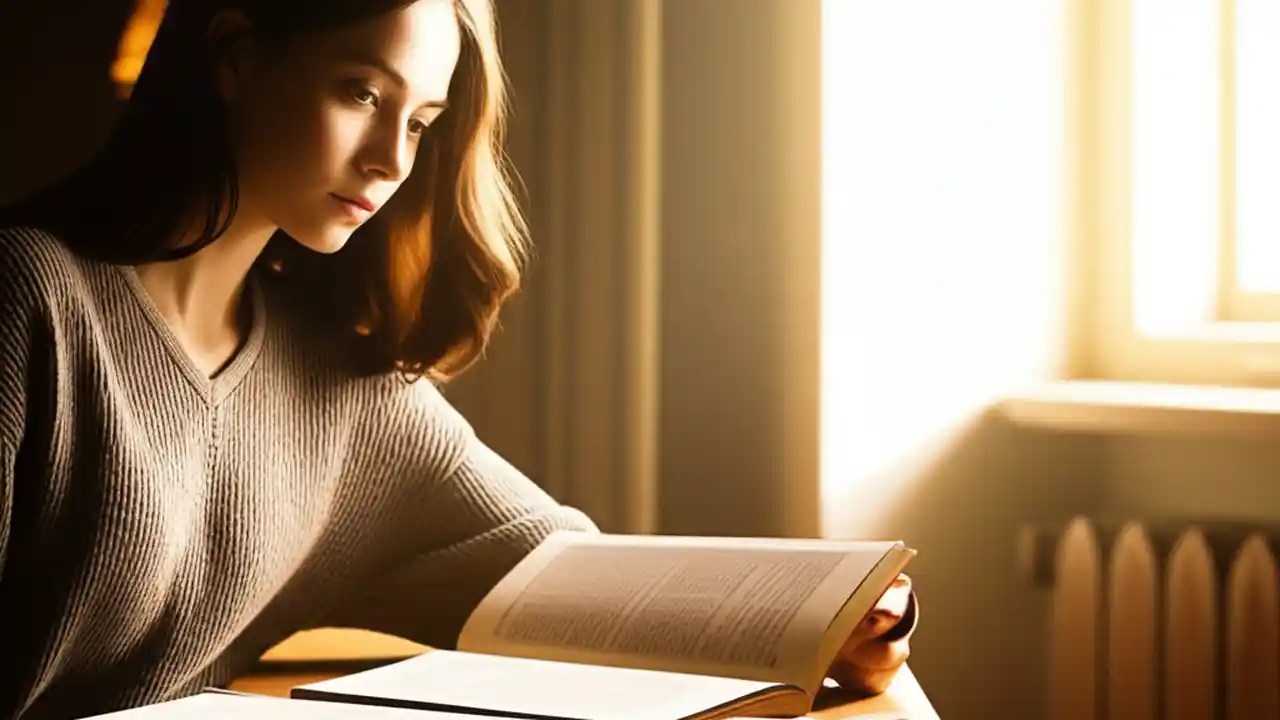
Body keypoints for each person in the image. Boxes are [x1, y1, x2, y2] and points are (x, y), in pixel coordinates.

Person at [0, 0, 917, 717]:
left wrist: (824, 622)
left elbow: (563, 573)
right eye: (361, 92)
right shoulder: (29, 299)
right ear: (237, 57)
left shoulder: (348, 390)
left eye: (423, 119)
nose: (390, 159)